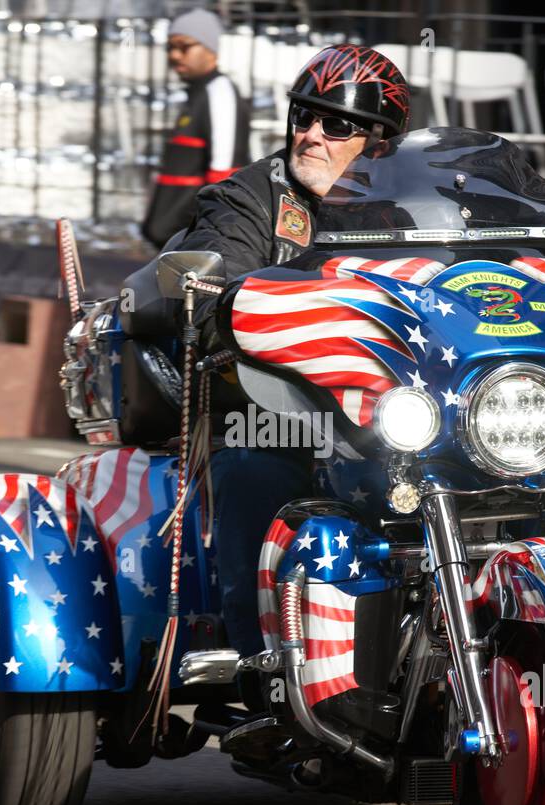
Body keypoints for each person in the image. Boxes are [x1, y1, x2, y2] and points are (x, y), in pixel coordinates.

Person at [173, 45, 409, 678]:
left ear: (379, 142)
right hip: (274, 405)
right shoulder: (248, 200)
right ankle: (262, 667)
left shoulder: (415, 210)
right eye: (303, 116)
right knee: (255, 463)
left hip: (400, 416)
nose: (309, 135)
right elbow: (218, 292)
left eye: (335, 124)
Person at [140, 8, 250, 248]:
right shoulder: (197, 93)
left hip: (193, 245)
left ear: (210, 50)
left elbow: (225, 174)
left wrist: (205, 238)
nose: (175, 55)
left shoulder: (218, 92)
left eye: (184, 46)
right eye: (170, 47)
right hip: (174, 240)